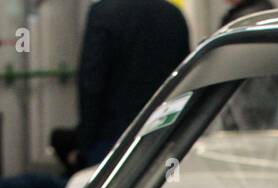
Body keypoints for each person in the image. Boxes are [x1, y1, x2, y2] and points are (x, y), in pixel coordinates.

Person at [75, 0, 191, 168]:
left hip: (114, 137)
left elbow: (91, 84)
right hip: (163, 134)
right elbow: (184, 80)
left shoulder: (103, 13)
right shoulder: (173, 15)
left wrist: (85, 142)